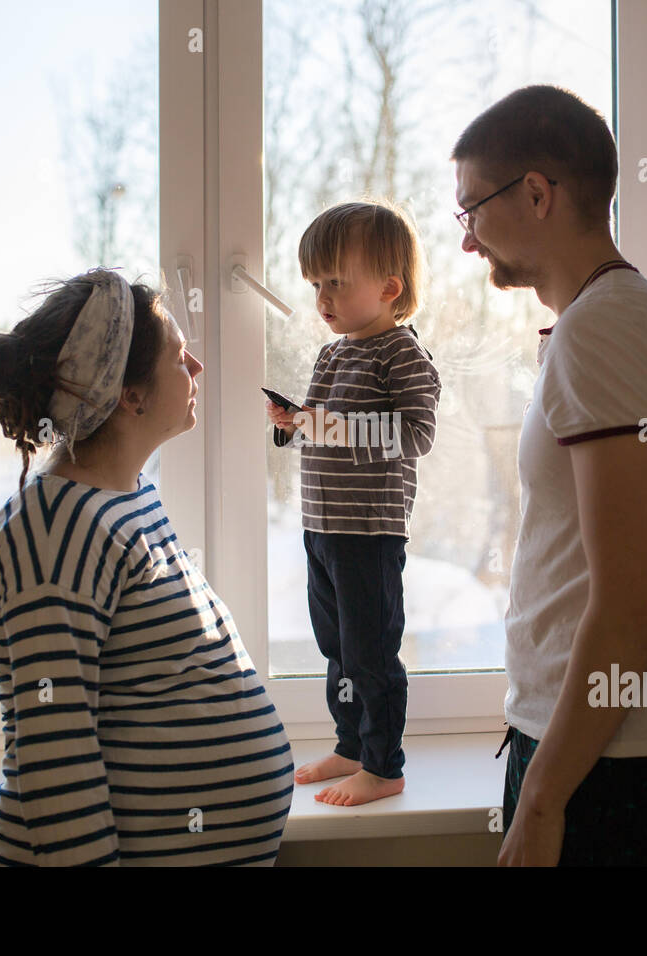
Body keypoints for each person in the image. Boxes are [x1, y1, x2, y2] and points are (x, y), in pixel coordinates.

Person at [451, 85, 647, 865]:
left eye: (471, 209)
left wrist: (540, 800)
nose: (467, 241)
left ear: (537, 193)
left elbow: (636, 600)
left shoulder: (603, 330)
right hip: (607, 758)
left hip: (607, 776)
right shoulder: (608, 321)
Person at [0, 268, 294, 865]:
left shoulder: (121, 502)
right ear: (129, 395)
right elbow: (56, 763)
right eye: (180, 357)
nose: (197, 370)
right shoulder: (52, 527)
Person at [265, 200, 441, 806]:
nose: (322, 297)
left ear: (390, 287)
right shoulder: (333, 353)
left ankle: (384, 765)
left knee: (370, 653)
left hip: (369, 530)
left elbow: (415, 434)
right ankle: (351, 746)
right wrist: (292, 424)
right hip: (323, 526)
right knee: (336, 649)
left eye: (335, 281)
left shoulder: (401, 353)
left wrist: (327, 426)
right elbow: (324, 425)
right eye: (316, 283)